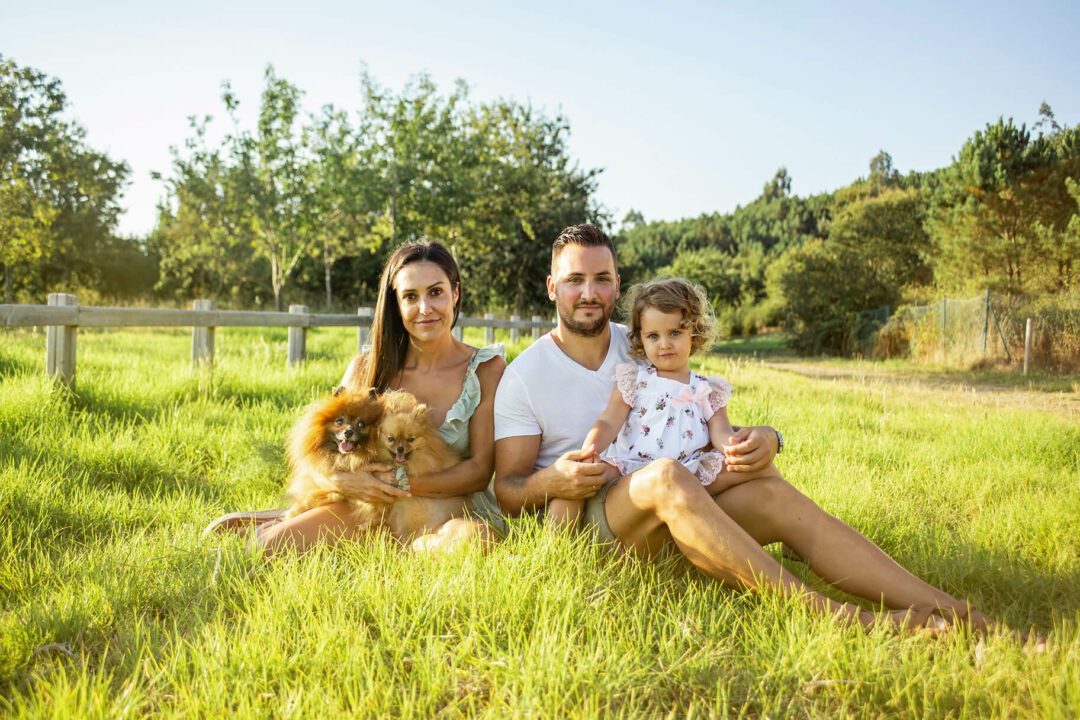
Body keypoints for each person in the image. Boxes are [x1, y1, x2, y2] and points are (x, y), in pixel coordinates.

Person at [494, 223, 1005, 633]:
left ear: (617, 285)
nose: (589, 292)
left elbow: (696, 419)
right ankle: (843, 620)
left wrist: (765, 439)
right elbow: (508, 491)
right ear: (552, 286)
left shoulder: (650, 338)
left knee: (768, 491)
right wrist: (553, 481)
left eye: (601, 278)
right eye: (574, 280)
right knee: (668, 476)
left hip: (681, 500)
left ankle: (959, 614)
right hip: (604, 521)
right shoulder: (525, 376)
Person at [205, 241, 507, 555]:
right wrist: (341, 482)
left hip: (449, 509)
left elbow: (479, 471)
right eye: (410, 297)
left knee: (472, 542)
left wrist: (392, 484)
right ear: (396, 304)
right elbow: (323, 450)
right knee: (268, 549)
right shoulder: (366, 368)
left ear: (455, 293)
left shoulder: (485, 369)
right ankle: (292, 525)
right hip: (368, 508)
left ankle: (389, 552)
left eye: (435, 292)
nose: (425, 309)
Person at [547, 277, 740, 530]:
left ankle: (786, 525)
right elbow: (609, 419)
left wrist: (735, 448)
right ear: (641, 338)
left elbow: (721, 432)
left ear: (694, 333)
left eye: (674, 333)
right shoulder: (634, 379)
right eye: (653, 336)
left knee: (751, 466)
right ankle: (555, 545)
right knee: (576, 479)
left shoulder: (707, 389)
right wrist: (592, 446)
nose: (664, 344)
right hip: (631, 466)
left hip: (687, 473)